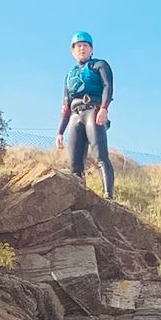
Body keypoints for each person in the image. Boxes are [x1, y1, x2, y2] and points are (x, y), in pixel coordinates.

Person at [57, 30, 115, 198]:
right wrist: (60, 132)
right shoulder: (69, 75)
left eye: (85, 45)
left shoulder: (99, 65)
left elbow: (107, 87)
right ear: (73, 51)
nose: (81, 48)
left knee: (100, 156)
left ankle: (108, 196)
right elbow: (65, 106)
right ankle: (78, 198)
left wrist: (104, 108)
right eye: (78, 46)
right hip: (75, 115)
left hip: (93, 110)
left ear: (91, 49)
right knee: (74, 165)